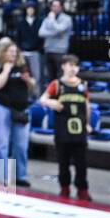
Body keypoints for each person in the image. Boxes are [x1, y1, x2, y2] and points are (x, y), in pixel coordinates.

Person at [40, 54, 92, 200]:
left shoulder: (83, 85)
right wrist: (52, 103)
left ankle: (82, 189)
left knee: (81, 163)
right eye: (70, 65)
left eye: (75, 66)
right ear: (63, 66)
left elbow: (87, 106)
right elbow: (42, 99)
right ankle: (64, 188)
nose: (73, 68)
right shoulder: (57, 84)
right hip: (63, 130)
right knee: (63, 162)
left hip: (79, 130)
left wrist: (87, 124)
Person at [0, 40, 35, 188]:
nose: (13, 54)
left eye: (15, 52)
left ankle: (20, 176)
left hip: (22, 109)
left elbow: (33, 85)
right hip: (2, 108)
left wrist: (28, 80)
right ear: (3, 52)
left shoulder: (23, 66)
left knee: (21, 145)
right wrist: (6, 71)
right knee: (1, 144)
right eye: (10, 51)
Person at [37, 0, 73, 83]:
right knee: (50, 78)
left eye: (57, 6)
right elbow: (41, 33)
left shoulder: (67, 19)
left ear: (61, 7)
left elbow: (60, 29)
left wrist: (52, 20)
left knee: (61, 76)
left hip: (60, 51)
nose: (55, 8)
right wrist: (55, 33)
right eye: (53, 6)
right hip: (48, 50)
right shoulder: (47, 19)